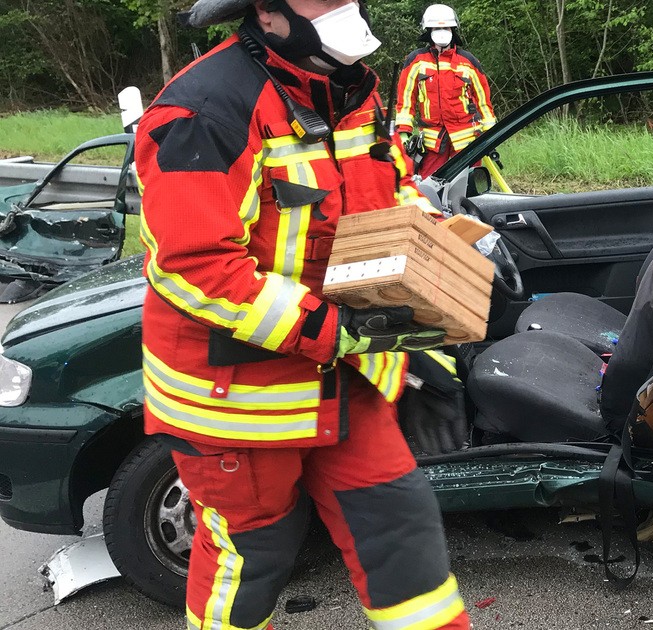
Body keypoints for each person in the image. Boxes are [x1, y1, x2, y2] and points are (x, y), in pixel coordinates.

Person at [134, 1, 470, 628]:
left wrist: (431, 239)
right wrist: (333, 329)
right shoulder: (204, 108)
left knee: (402, 529)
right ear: (266, 10)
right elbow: (195, 265)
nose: (347, 7)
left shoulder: (349, 90)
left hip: (346, 377)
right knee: (251, 558)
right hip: (238, 401)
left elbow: (382, 192)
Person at [395, 4, 497, 178]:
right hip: (432, 142)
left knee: (467, 189)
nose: (442, 31)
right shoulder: (416, 61)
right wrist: (403, 133)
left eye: (446, 27)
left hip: (467, 143)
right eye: (437, 27)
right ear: (428, 30)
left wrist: (491, 136)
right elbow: (405, 101)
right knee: (430, 187)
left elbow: (483, 102)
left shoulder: (468, 62)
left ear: (453, 29)